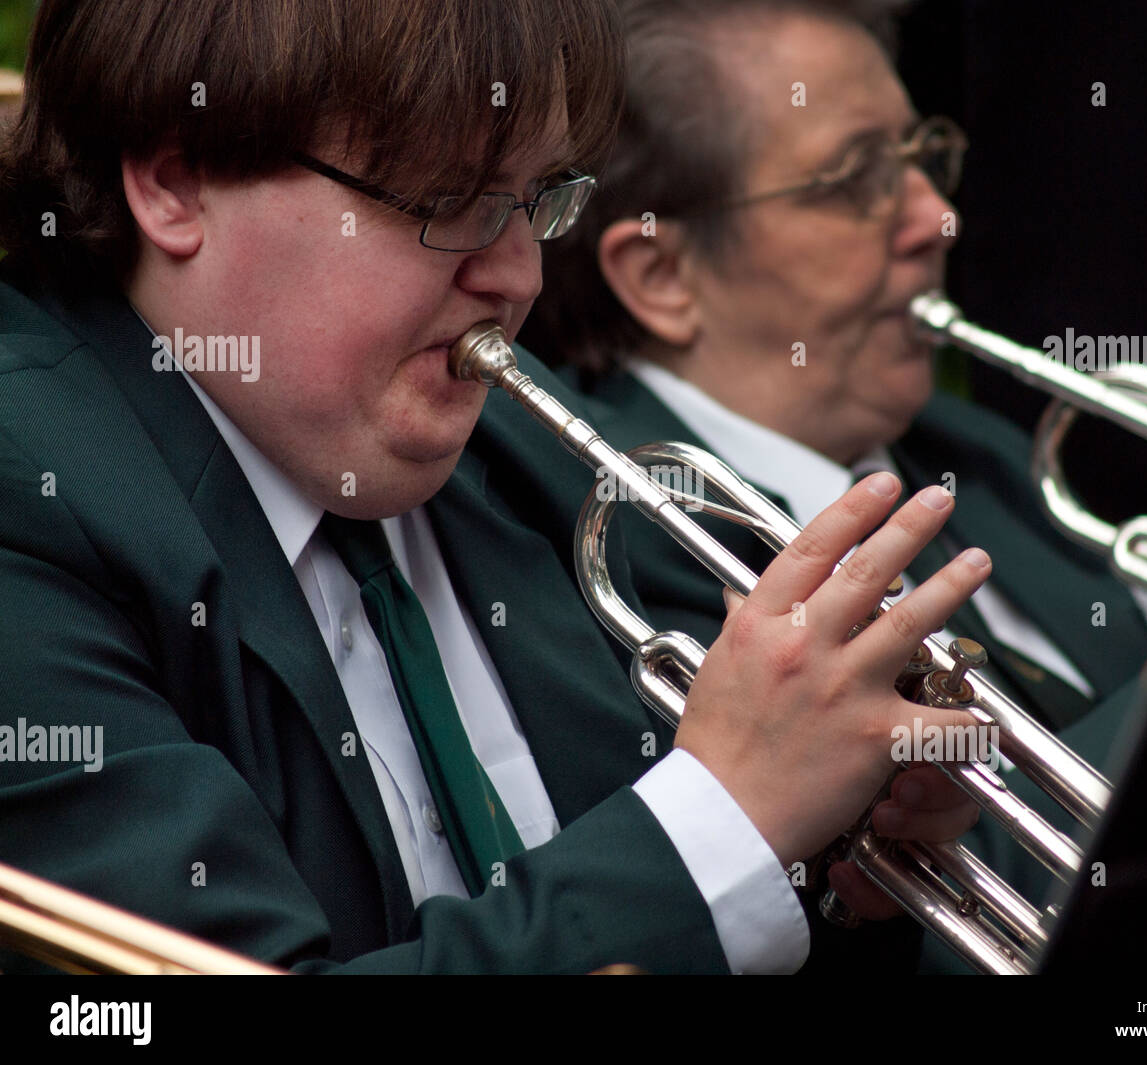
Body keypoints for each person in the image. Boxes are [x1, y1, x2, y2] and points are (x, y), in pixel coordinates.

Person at [0, 0, 991, 974]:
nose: (517, 277)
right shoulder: (26, 503)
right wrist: (724, 824)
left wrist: (837, 869)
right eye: (447, 202)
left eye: (539, 199)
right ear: (178, 184)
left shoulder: (506, 445)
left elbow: (718, 882)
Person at [523, 0, 1147, 749]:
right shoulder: (632, 545)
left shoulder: (975, 451)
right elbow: (941, 848)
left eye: (923, 156)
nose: (939, 220)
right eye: (856, 178)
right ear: (663, 275)